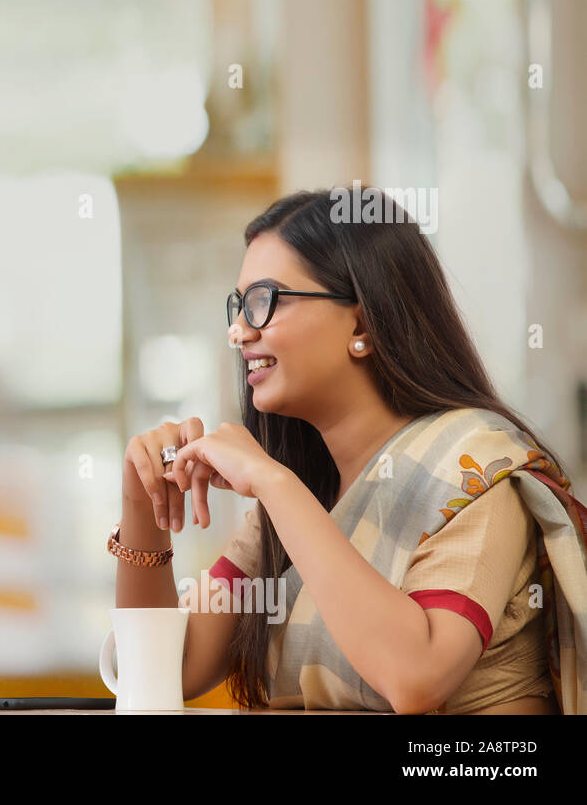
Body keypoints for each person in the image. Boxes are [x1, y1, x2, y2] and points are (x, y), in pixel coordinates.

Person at [112, 188, 587, 715]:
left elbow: (415, 677)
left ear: (360, 323)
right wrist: (141, 505)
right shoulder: (301, 492)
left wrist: (272, 483)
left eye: (264, 301)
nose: (238, 331)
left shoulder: (475, 467)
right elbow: (166, 673)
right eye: (239, 305)